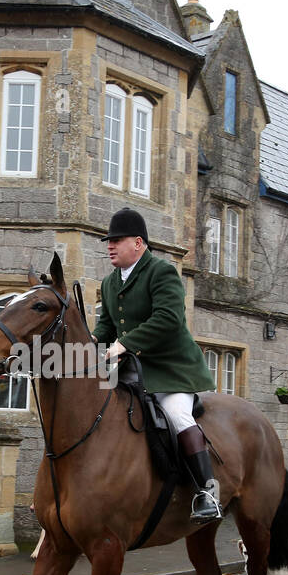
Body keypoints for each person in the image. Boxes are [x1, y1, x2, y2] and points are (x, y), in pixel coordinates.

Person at [91, 208, 221, 522]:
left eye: (117, 241)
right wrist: (87, 349)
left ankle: (207, 492)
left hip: (171, 371)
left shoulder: (161, 272)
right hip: (130, 371)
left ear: (138, 243)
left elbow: (168, 318)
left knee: (176, 414)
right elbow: (105, 328)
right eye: (109, 241)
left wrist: (124, 344)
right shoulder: (110, 283)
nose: (110, 246)